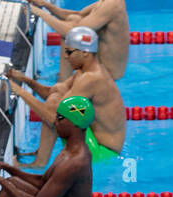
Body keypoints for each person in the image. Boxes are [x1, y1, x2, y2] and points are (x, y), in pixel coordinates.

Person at [9, 27, 125, 170]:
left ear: (85, 53)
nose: (65, 57)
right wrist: (24, 79)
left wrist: (19, 91)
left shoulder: (91, 79)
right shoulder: (84, 72)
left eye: (69, 52)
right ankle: (40, 158)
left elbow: (53, 118)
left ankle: (39, 164)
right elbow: (50, 92)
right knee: (57, 93)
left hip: (101, 154)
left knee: (57, 111)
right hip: (95, 142)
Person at [28, 0, 129, 80]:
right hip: (101, 67)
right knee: (73, 19)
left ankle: (62, 82)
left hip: (109, 74)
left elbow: (72, 33)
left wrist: (39, 12)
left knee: (68, 35)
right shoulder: (104, 2)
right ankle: (64, 79)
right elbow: (80, 14)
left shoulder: (111, 4)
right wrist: (45, 5)